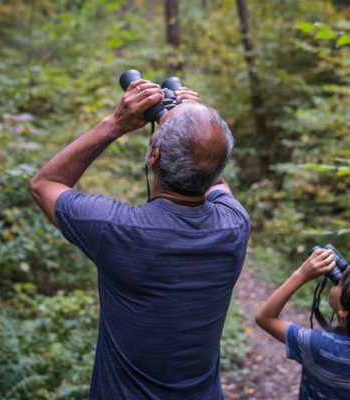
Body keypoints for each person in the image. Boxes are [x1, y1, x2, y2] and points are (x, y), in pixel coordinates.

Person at [30, 78, 250, 399]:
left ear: (153, 156)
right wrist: (197, 122)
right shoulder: (234, 225)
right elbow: (207, 165)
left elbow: (44, 183)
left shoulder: (118, 231)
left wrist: (115, 123)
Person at [255, 248, 350, 399]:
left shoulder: (318, 345)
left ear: (343, 311)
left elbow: (265, 318)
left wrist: (301, 275)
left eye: (340, 283)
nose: (338, 280)